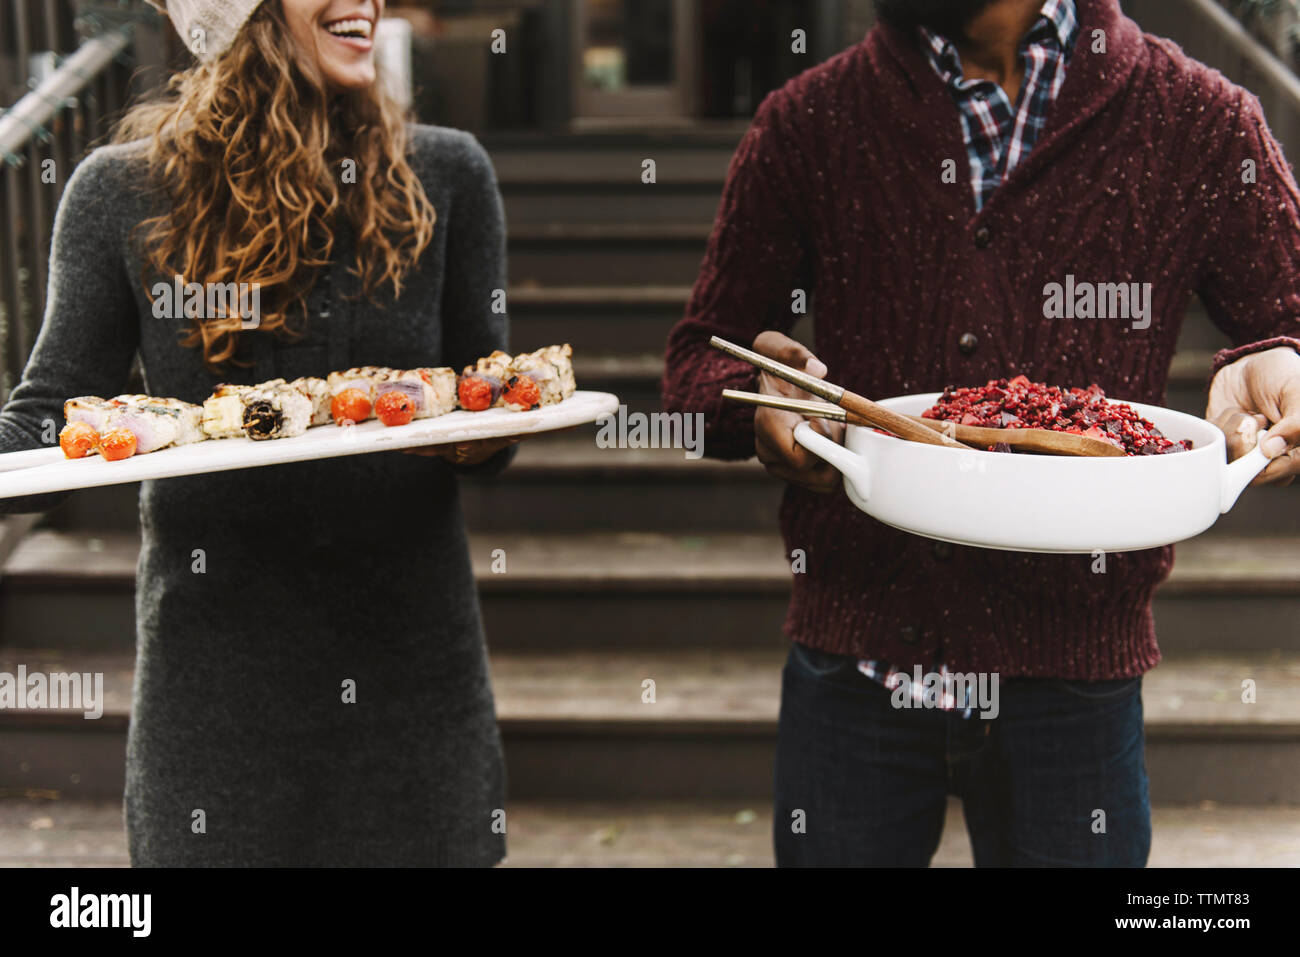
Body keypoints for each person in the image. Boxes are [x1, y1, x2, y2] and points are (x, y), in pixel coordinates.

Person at [662, 0, 1300, 866]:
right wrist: (756, 400)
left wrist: (1277, 361)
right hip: (857, 665)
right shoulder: (808, 119)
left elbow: (1289, 318)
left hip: (1074, 678)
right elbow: (697, 362)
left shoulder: (1199, 118)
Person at [0, 0, 519, 865]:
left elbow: (493, 413)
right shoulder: (118, 192)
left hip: (412, 684)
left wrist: (471, 430)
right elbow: (47, 415)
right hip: (216, 698)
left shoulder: (448, 173)